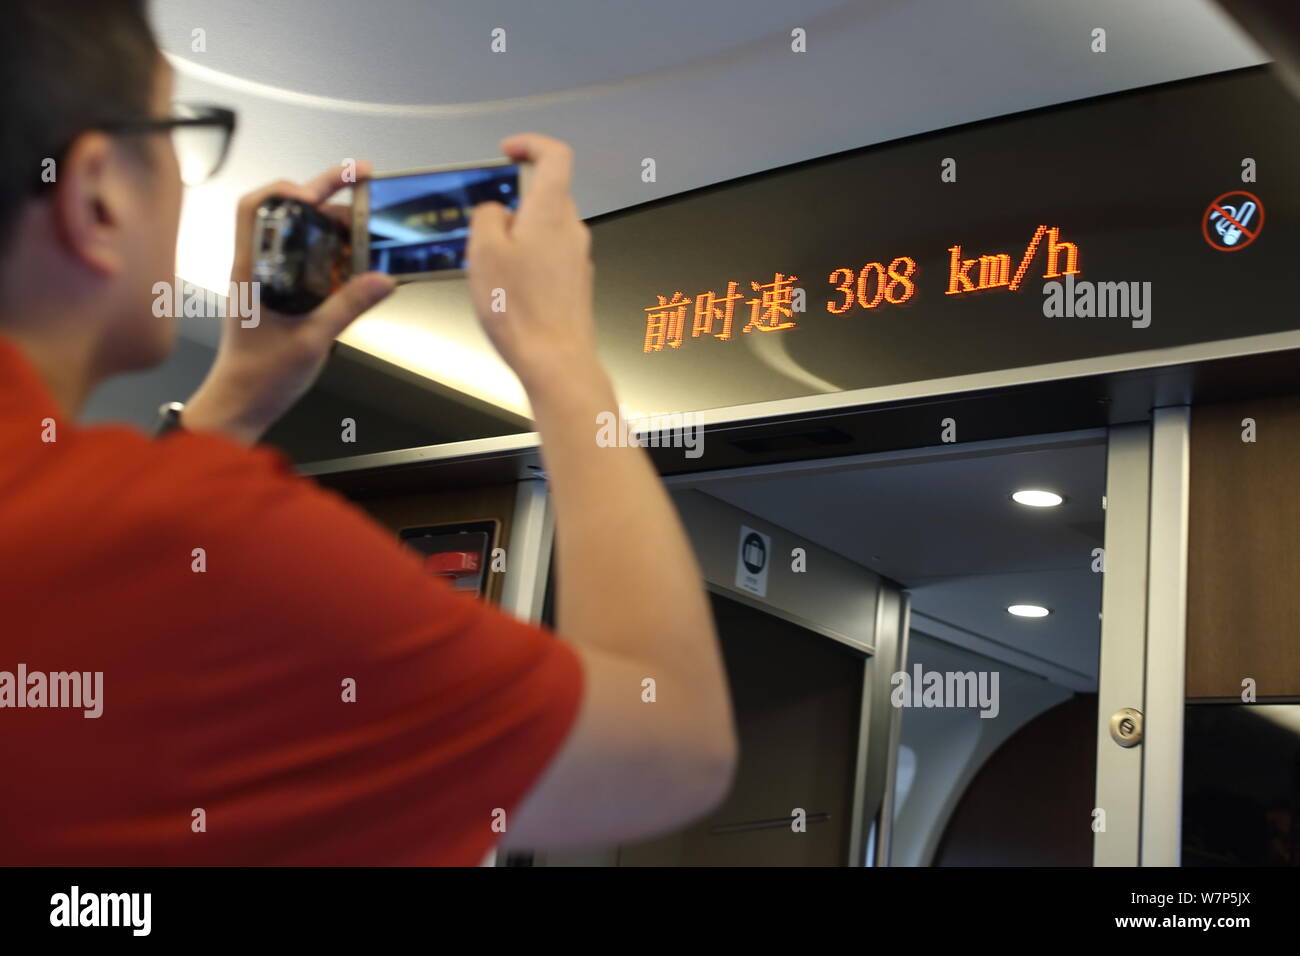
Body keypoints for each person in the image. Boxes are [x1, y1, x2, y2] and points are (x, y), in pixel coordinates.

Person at [0, 0, 736, 865]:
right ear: (97, 196)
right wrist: (561, 357)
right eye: (174, 131)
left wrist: (233, 402)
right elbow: (671, 745)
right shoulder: (199, 534)